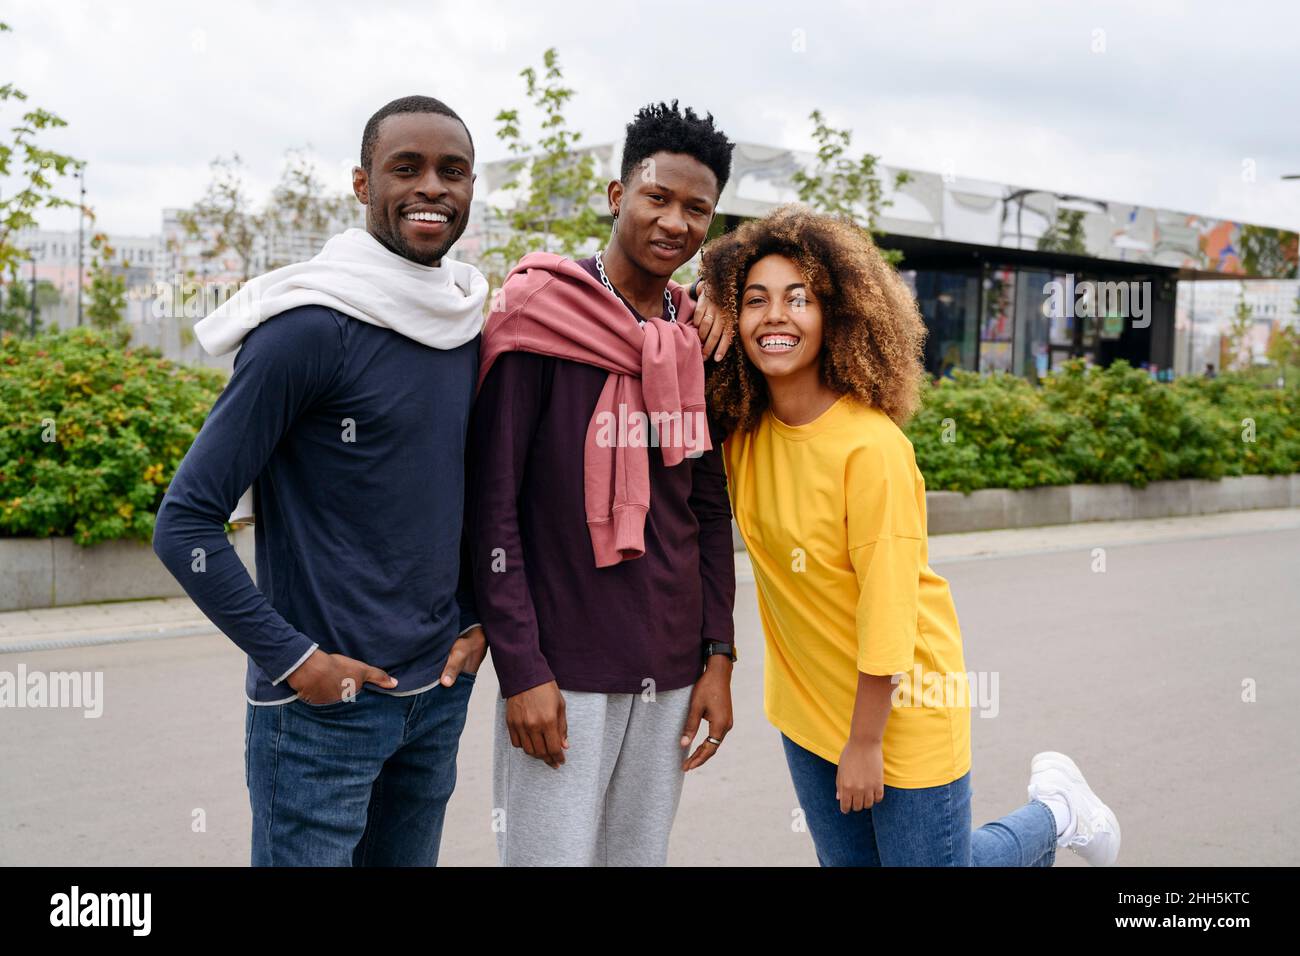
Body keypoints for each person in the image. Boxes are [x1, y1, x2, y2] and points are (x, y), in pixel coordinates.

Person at [692, 205, 1121, 866]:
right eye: (754, 301)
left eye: (798, 299)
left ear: (837, 314)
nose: (775, 315)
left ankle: (1058, 815)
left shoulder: (871, 448)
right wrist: (697, 307)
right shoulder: (742, 433)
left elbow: (888, 613)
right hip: (806, 713)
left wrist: (866, 743)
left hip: (900, 713)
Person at [153, 95, 489, 866]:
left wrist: (473, 620)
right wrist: (296, 661)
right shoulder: (308, 328)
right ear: (362, 184)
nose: (432, 187)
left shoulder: (465, 322)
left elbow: (461, 492)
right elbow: (186, 523)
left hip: (434, 702)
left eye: (453, 171)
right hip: (319, 715)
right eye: (406, 169)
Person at [467, 101, 737, 866]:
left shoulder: (694, 336)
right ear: (619, 196)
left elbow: (708, 510)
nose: (675, 222)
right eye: (658, 197)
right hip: (564, 670)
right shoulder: (538, 316)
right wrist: (522, 669)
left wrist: (719, 655)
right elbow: (493, 510)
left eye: (697, 210)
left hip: (672, 667)